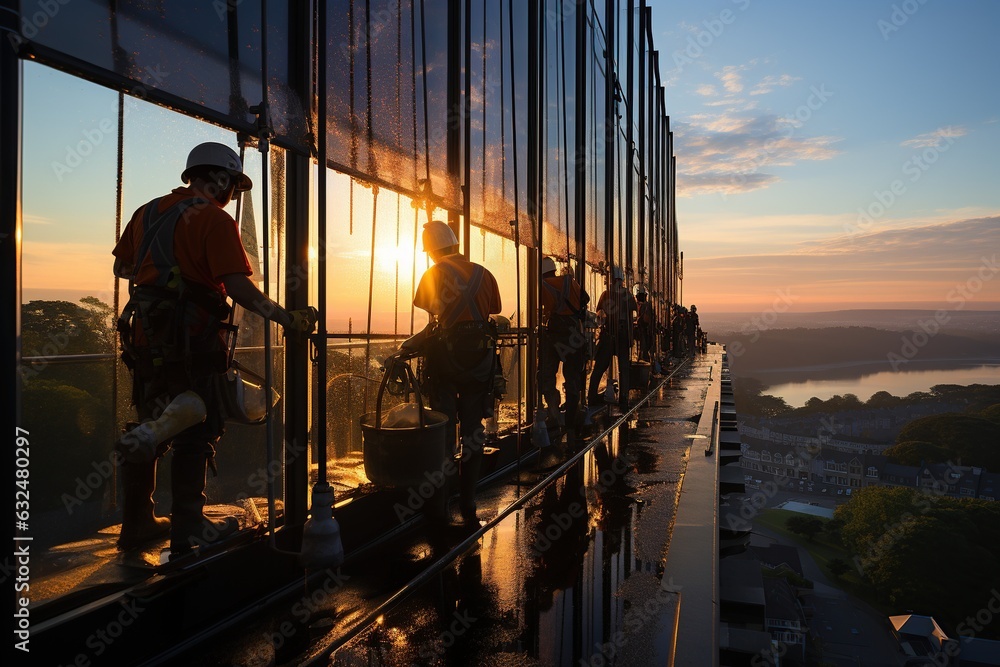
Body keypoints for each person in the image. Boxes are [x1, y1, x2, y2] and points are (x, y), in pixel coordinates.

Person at [113, 142, 317, 558]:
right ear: (220, 180)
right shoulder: (214, 219)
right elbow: (238, 287)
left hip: (146, 339)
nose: (233, 196)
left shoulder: (147, 211)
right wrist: (285, 317)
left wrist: (167, 269)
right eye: (233, 187)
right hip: (193, 341)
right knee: (196, 426)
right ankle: (190, 525)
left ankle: (137, 522)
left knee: (156, 419)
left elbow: (123, 268)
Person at [410, 220, 502, 529]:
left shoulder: (433, 274)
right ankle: (469, 501)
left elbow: (434, 325)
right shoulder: (484, 274)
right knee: (473, 432)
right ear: (454, 245)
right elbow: (490, 313)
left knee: (445, 435)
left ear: (432, 250)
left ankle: (438, 505)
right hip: (480, 363)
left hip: (447, 365)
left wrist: (407, 346)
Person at [537, 257, 590, 429]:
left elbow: (545, 309)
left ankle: (554, 415)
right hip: (573, 335)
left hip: (554, 336)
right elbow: (586, 298)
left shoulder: (544, 286)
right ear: (554, 270)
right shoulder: (569, 281)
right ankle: (571, 421)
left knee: (547, 375)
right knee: (573, 376)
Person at [586, 265, 637, 412]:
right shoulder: (626, 294)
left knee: (600, 367)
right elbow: (633, 313)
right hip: (622, 335)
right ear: (621, 279)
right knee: (623, 369)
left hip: (609, 335)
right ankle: (624, 398)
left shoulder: (607, 294)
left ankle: (591, 396)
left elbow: (599, 313)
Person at [634, 285, 655, 363]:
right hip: (643, 330)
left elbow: (646, 319)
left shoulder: (646, 306)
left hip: (645, 330)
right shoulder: (643, 306)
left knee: (645, 346)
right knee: (643, 346)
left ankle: (645, 359)